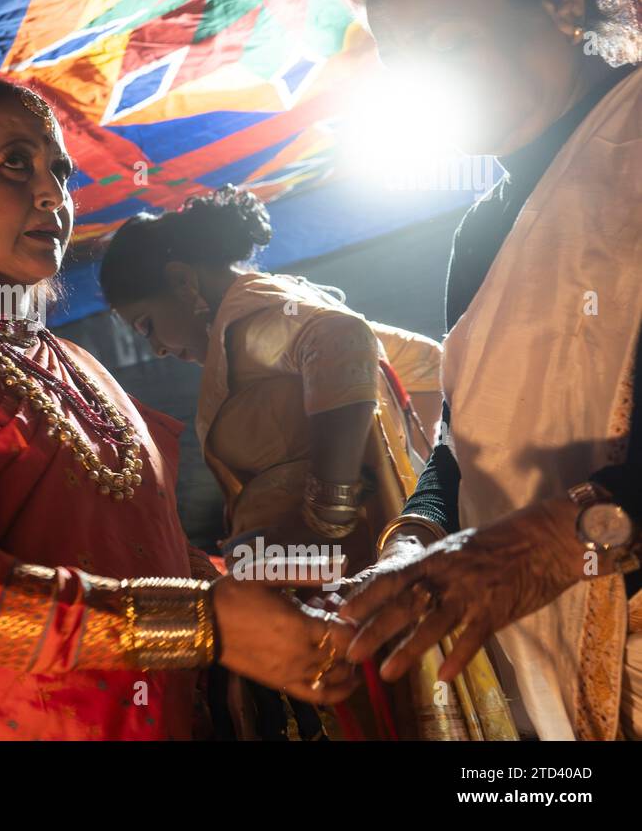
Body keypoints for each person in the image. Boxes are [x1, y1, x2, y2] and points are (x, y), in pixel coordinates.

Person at [0, 0, 360, 741]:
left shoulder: (77, 362)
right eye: (15, 166)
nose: (52, 197)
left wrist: (269, 591)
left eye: (59, 173)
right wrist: (200, 621)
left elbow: (140, 554)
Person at [337, 0, 642, 741]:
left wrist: (552, 543)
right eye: (400, 60)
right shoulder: (480, 231)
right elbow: (464, 437)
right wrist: (416, 536)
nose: (421, 82)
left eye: (448, 41)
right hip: (538, 676)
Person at [97, 189, 508, 739]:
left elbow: (346, 340)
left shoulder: (250, 320)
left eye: (147, 325)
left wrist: (329, 511)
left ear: (182, 281)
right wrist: (410, 469)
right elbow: (427, 365)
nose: (158, 351)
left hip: (335, 577)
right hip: (339, 572)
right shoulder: (267, 310)